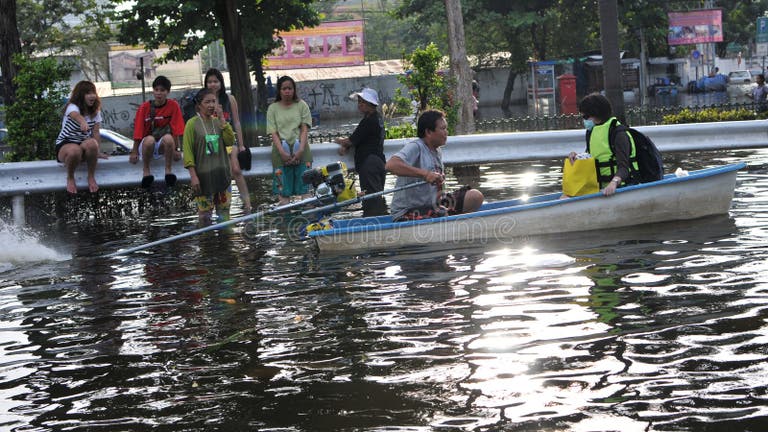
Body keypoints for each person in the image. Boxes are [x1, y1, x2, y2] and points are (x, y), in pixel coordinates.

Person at [386, 109, 484, 221]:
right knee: (442, 212)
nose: (446, 132)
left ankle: (456, 226)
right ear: (428, 132)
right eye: (443, 129)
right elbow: (391, 165)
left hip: (434, 205)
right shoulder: (416, 147)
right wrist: (425, 174)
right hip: (408, 211)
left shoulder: (437, 151)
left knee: (475, 197)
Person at [568, 93, 636, 197]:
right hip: (600, 187)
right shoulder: (592, 132)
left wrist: (614, 183)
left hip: (622, 186)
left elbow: (624, 168)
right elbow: (591, 158)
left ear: (596, 113)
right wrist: (577, 157)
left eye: (586, 116)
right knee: (564, 196)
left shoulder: (618, 134)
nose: (584, 121)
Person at [182, 88, 235, 224]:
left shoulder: (219, 122)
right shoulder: (192, 124)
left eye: (213, 101)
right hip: (203, 178)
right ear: (199, 105)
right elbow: (187, 152)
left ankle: (225, 243)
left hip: (222, 175)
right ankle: (207, 245)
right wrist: (193, 176)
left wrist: (223, 119)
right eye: (207, 102)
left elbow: (230, 141)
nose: (211, 105)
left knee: (224, 216)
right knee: (205, 217)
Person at [204, 68, 252, 213]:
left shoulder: (229, 99)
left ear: (221, 83)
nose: (213, 84)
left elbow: (237, 122)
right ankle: (219, 207)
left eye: (216, 81)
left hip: (229, 139)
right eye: (210, 81)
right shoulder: (203, 101)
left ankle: (247, 204)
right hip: (211, 140)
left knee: (236, 170)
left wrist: (242, 145)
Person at [334, 87, 387, 216]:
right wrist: (348, 145)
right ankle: (379, 220)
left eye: (363, 102)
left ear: (371, 104)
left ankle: (374, 223)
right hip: (378, 162)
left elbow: (350, 141)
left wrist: (338, 141)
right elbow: (359, 139)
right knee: (376, 196)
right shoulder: (377, 119)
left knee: (371, 199)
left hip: (369, 164)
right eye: (359, 102)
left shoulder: (368, 121)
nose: (360, 105)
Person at [130, 75, 184, 188]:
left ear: (168, 92)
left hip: (163, 144)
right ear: (153, 91)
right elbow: (138, 131)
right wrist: (134, 151)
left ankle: (168, 171)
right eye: (156, 90)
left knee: (169, 138)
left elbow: (176, 129)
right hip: (147, 143)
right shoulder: (144, 108)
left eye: (162, 90)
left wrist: (177, 149)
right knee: (149, 140)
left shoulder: (173, 106)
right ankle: (146, 171)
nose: (159, 93)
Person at [266, 75, 313, 205]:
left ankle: (309, 222)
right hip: (280, 153)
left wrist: (301, 150)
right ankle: (286, 223)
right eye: (284, 89)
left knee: (306, 192)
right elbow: (273, 132)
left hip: (301, 152)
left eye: (290, 88)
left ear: (294, 90)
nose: (287, 91)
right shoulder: (272, 108)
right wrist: (282, 152)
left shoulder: (302, 105)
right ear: (279, 91)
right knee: (283, 193)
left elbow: (304, 129)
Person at [55, 80, 104, 194]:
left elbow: (96, 132)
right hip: (65, 144)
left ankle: (91, 176)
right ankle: (70, 177)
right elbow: (76, 115)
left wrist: (98, 151)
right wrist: (82, 122)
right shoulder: (72, 107)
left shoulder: (96, 112)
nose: (92, 96)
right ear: (81, 95)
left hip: (83, 144)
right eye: (88, 93)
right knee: (74, 151)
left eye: (93, 93)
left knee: (92, 143)